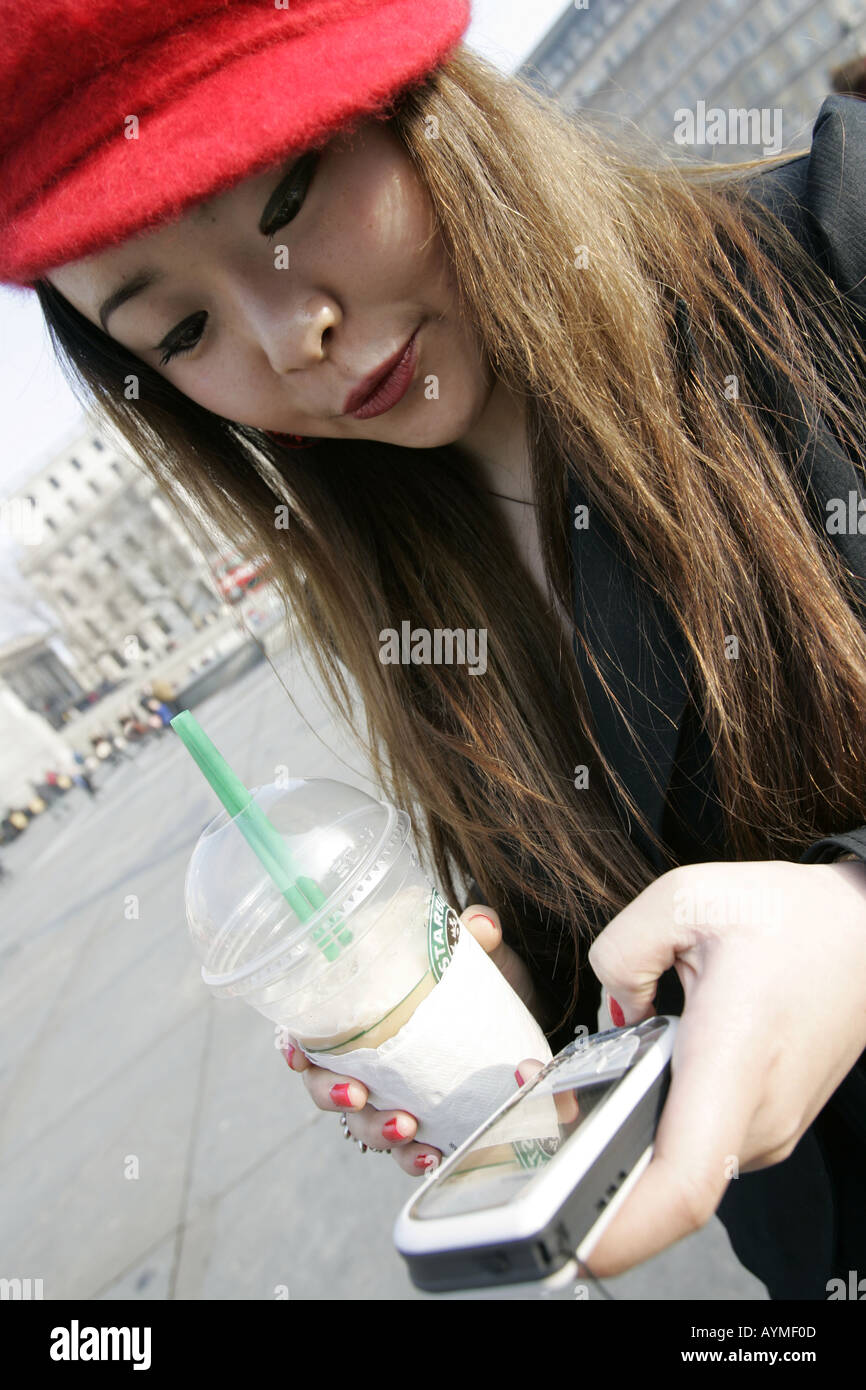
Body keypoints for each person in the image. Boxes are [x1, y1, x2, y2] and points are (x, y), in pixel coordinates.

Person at [4, 1, 866, 1302]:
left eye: (289, 195)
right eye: (179, 335)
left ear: (419, 98)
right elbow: (638, 963)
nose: (287, 331)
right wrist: (515, 1002)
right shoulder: (411, 599)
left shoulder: (836, 246)